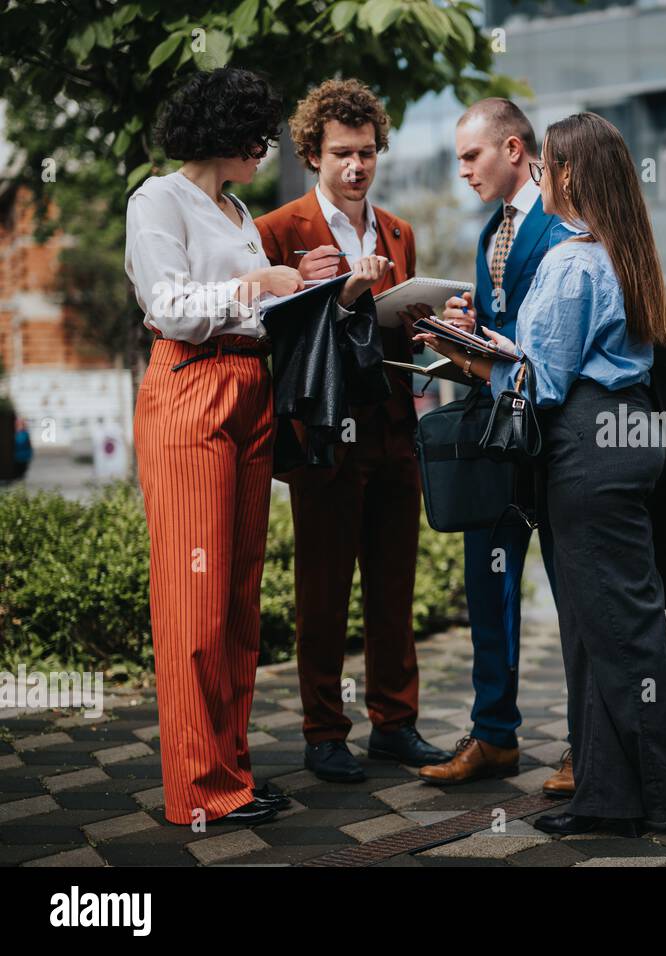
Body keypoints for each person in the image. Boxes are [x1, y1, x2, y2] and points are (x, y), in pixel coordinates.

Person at [417, 112, 666, 834]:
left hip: (586, 454)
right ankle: (608, 796)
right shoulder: (619, 252)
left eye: (544, 165)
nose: (539, 178)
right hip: (627, 439)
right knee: (600, 630)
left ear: (567, 175)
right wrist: (487, 343)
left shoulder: (572, 262)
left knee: (614, 632)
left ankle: (665, 799)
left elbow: (538, 381)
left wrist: (462, 354)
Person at [126, 68, 389, 826]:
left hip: (250, 388)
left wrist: (297, 289)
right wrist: (257, 285)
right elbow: (171, 307)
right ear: (227, 135)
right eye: (257, 135)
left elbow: (258, 306)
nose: (265, 147)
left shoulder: (238, 210)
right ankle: (198, 790)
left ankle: (231, 772)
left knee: (240, 596)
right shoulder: (157, 199)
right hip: (189, 390)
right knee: (193, 600)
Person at [255, 79, 451, 782]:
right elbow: (269, 333)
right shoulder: (278, 231)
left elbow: (403, 331)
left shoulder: (398, 230)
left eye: (366, 152)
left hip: (395, 429)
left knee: (394, 587)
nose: (356, 167)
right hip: (324, 435)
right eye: (341, 153)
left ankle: (395, 725)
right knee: (323, 590)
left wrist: (433, 322)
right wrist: (334, 296)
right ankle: (323, 732)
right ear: (313, 152)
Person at [416, 99, 573, 792]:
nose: (463, 172)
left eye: (471, 157)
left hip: (557, 433)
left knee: (577, 591)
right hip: (494, 433)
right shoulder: (490, 235)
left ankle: (586, 742)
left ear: (514, 149)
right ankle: (493, 736)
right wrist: (467, 325)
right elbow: (504, 322)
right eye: (457, 160)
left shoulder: (570, 222)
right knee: (488, 585)